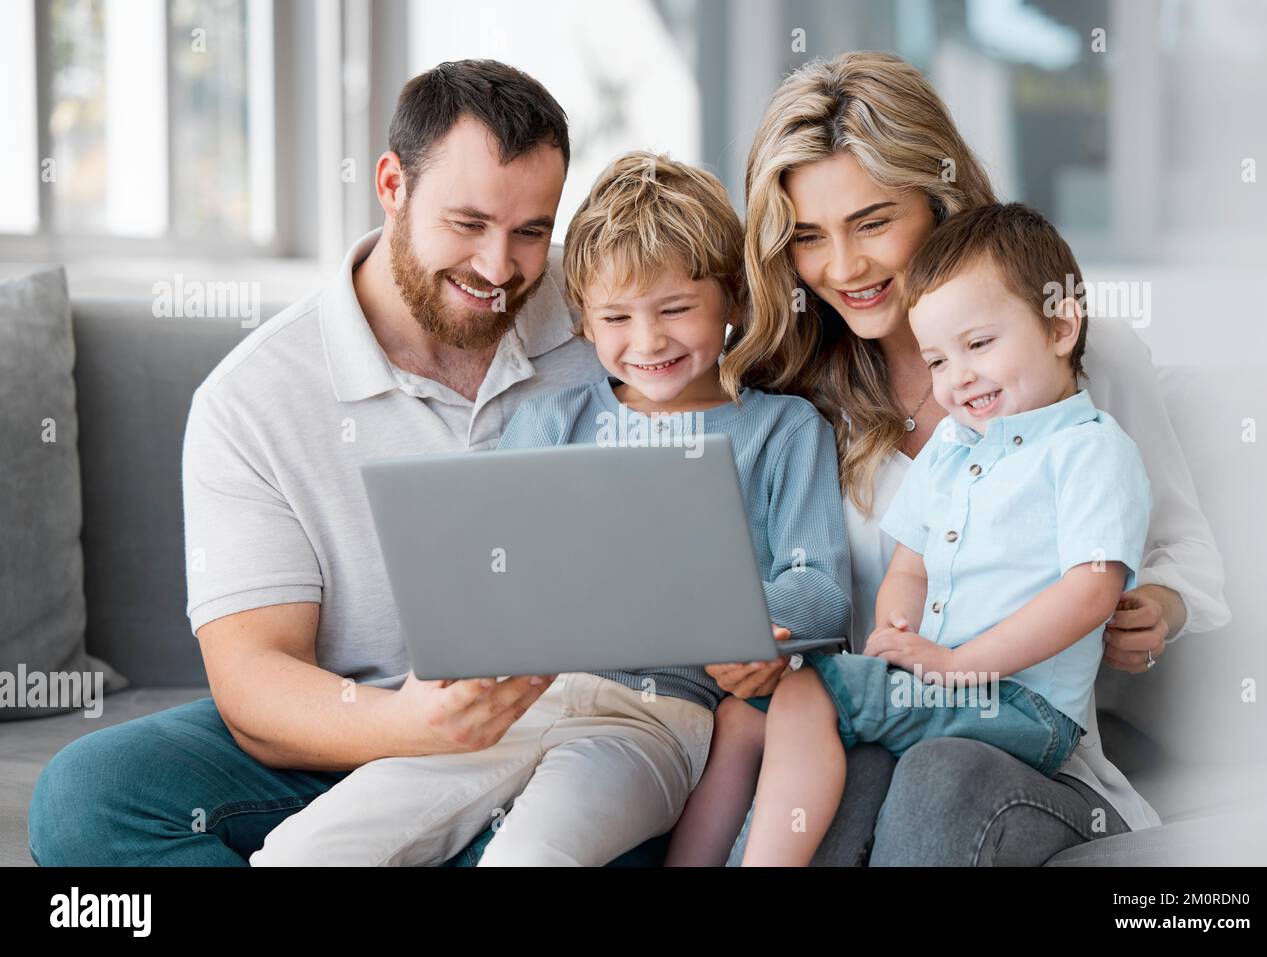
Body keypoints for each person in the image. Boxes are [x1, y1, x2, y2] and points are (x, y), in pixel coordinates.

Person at [27, 60, 611, 866]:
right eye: (468, 223)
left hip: (565, 744)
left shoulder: (612, 329)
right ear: (391, 185)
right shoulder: (254, 396)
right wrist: (411, 726)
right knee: (87, 799)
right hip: (351, 731)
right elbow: (255, 683)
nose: (498, 268)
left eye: (530, 231)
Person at [249, 151, 851, 866]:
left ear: (734, 303)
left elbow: (821, 588)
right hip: (515, 701)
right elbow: (483, 565)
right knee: (305, 850)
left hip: (654, 720)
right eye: (618, 316)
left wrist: (755, 628)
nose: (649, 340)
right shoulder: (550, 419)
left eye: (677, 309)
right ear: (584, 324)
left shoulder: (785, 431)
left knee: (530, 856)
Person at [712, 51, 1230, 866]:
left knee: (938, 771)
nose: (843, 268)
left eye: (873, 222)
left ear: (940, 197)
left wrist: (1159, 605)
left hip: (1025, 754)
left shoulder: (1086, 360)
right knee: (853, 782)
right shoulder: (798, 405)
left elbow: (1182, 549)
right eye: (810, 237)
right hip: (872, 735)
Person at [742, 202, 1153, 864]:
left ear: (1060, 325)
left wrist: (959, 664)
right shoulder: (954, 448)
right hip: (950, 690)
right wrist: (898, 634)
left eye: (979, 344)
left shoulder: (1089, 450)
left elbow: (1089, 595)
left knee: (806, 688)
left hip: (1027, 707)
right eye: (936, 359)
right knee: (845, 746)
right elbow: (909, 565)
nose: (957, 377)